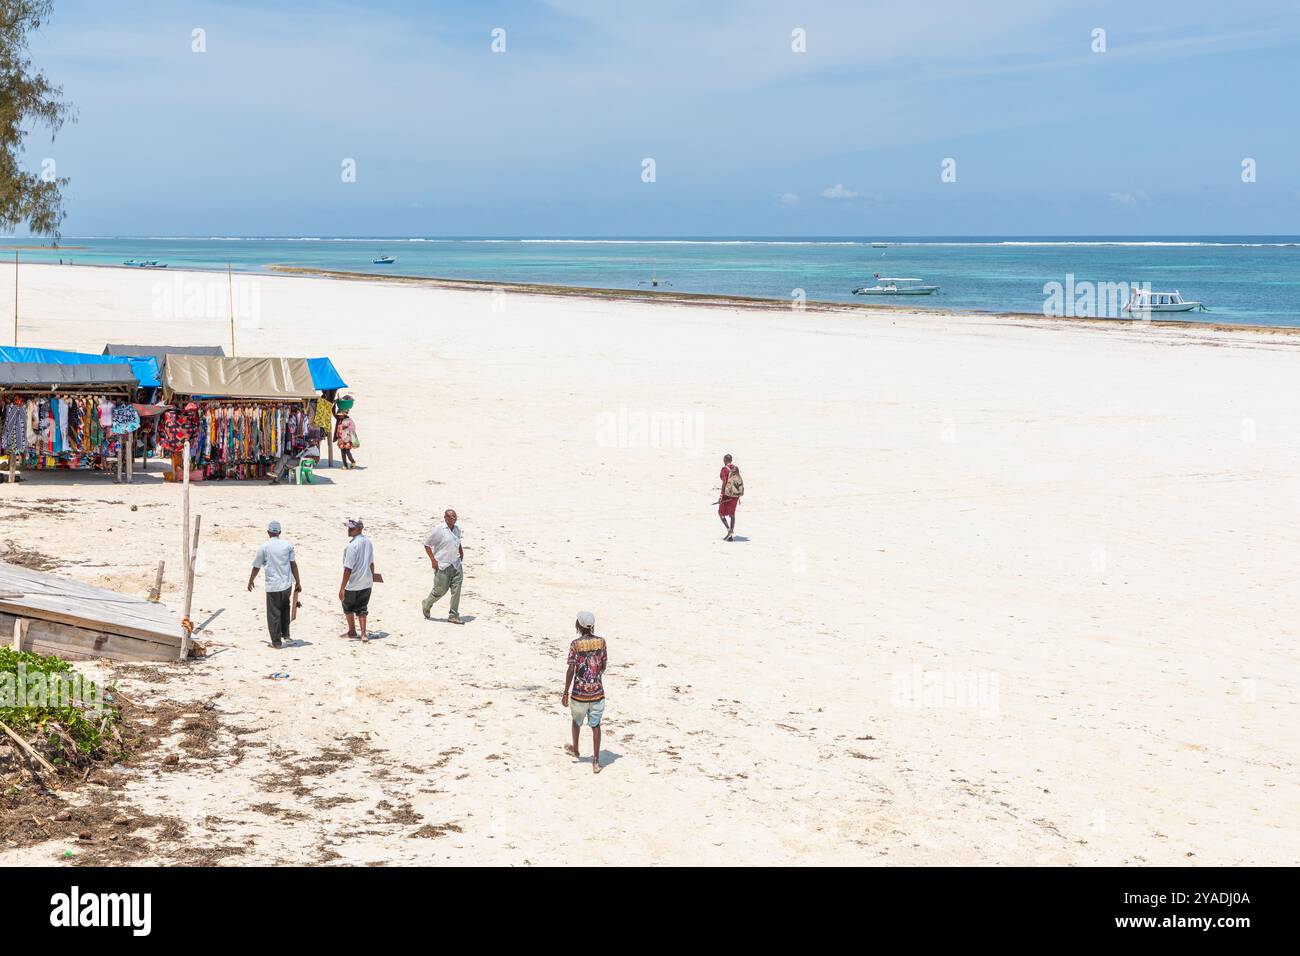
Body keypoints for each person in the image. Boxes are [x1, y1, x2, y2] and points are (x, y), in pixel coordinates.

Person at [561, 611, 608, 774]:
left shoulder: (575, 644)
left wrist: (565, 692)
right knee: (595, 726)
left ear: (578, 625)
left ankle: (575, 749)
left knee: (576, 721)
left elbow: (571, 669)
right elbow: (603, 665)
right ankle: (596, 761)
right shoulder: (601, 642)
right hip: (597, 691)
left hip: (579, 693)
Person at [247, 520, 301, 648]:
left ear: (268, 532)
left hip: (273, 586)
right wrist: (298, 582)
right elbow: (293, 564)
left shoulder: (264, 547)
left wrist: (251, 580)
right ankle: (286, 635)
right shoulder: (288, 545)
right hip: (287, 585)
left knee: (273, 614)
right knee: (285, 609)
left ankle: (276, 642)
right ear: (280, 532)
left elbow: (256, 566)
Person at [421, 509, 464, 624]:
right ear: (445, 517)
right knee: (440, 590)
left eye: (455, 517)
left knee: (456, 590)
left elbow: (458, 541)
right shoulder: (439, 529)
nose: (453, 519)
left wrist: (461, 552)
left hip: (456, 564)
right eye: (450, 517)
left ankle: (453, 615)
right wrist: (433, 560)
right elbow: (427, 544)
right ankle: (427, 603)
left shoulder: (457, 529)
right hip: (443, 565)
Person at [339, 518, 378, 642]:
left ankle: (352, 631)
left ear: (359, 529)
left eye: (351, 528)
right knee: (362, 608)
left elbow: (347, 569)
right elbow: (371, 563)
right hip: (366, 582)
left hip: (353, 583)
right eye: (349, 527)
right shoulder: (368, 542)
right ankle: (364, 634)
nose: (349, 530)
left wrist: (342, 588)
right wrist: (372, 577)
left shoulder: (351, 546)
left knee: (347, 607)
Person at [717, 453, 742, 541]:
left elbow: (724, 483)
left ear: (725, 460)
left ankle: (729, 530)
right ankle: (730, 535)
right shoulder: (736, 468)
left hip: (727, 494)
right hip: (736, 494)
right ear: (731, 460)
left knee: (720, 513)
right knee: (732, 514)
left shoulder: (724, 469)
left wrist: (721, 496)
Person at [335, 403, 358, 470]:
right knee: (342, 453)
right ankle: (345, 465)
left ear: (344, 415)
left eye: (341, 415)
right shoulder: (339, 420)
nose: (339, 416)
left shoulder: (349, 420)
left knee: (347, 452)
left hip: (348, 439)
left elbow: (353, 428)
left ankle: (353, 462)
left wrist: (346, 428)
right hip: (341, 439)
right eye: (339, 415)